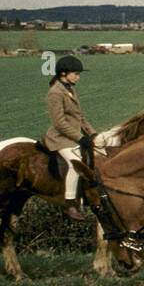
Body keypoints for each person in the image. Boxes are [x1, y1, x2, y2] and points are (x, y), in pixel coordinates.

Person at [43, 55, 97, 220]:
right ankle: (69, 205)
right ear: (63, 74)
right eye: (75, 74)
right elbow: (59, 123)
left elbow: (80, 117)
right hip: (60, 138)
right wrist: (80, 138)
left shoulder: (71, 90)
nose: (78, 77)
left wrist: (93, 134)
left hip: (73, 136)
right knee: (75, 164)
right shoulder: (55, 93)